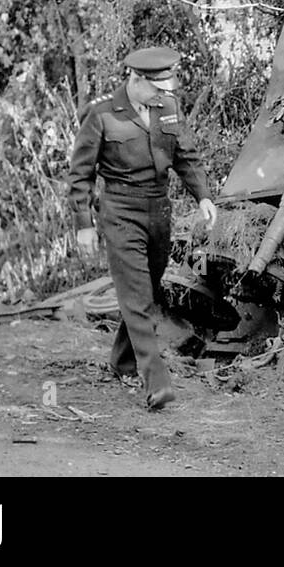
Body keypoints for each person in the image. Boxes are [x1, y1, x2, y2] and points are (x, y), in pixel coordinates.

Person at [67, 46, 218, 411]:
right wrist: (84, 224)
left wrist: (203, 196)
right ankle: (157, 381)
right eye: (156, 88)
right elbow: (81, 175)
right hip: (120, 210)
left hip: (158, 211)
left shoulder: (167, 108)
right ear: (135, 80)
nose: (163, 94)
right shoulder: (101, 115)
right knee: (138, 297)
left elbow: (186, 156)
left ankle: (122, 360)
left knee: (145, 290)